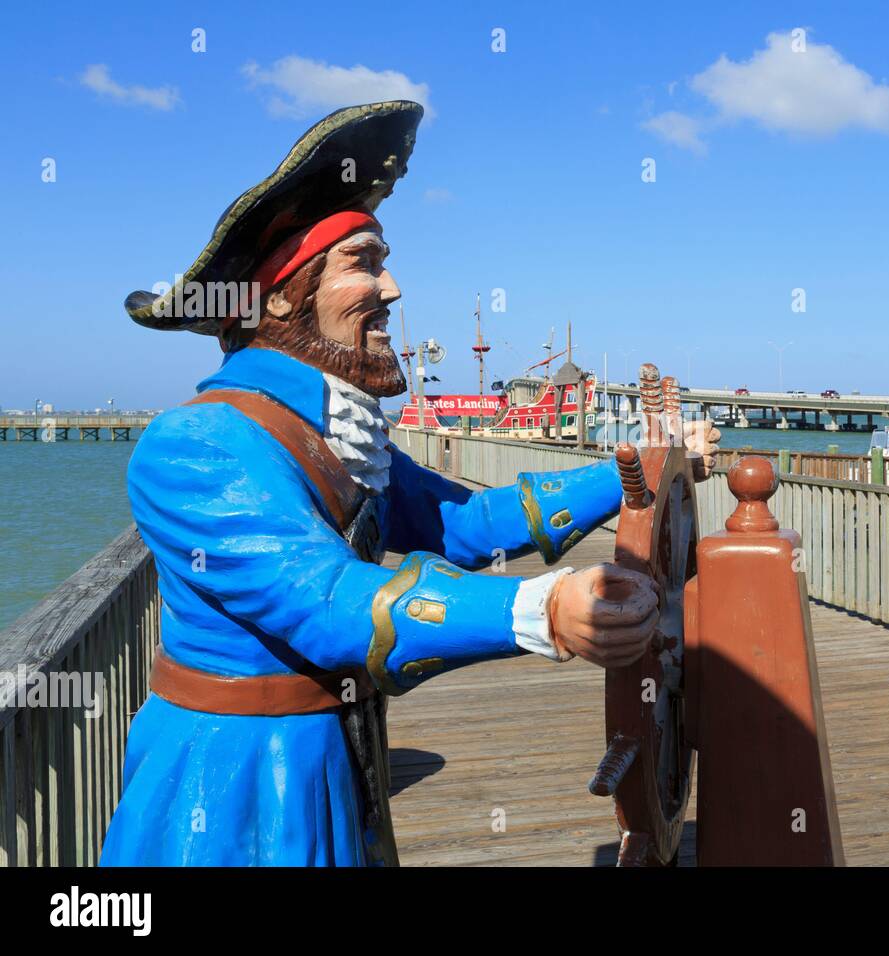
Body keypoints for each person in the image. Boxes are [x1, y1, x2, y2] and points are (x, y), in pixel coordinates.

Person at [100, 101, 719, 865]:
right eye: (363, 262)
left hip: (331, 755)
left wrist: (649, 468)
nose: (392, 289)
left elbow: (469, 522)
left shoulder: (336, 434)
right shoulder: (200, 445)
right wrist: (541, 609)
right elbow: (329, 602)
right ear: (286, 295)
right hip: (228, 781)